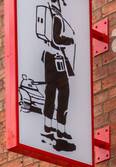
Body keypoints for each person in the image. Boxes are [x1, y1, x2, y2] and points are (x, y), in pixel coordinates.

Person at [40, 0, 76, 152]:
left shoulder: (48, 13)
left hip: (49, 59)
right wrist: (70, 40)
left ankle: (50, 128)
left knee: (51, 94)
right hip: (55, 59)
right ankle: (59, 130)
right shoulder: (56, 16)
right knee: (62, 93)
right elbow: (56, 38)